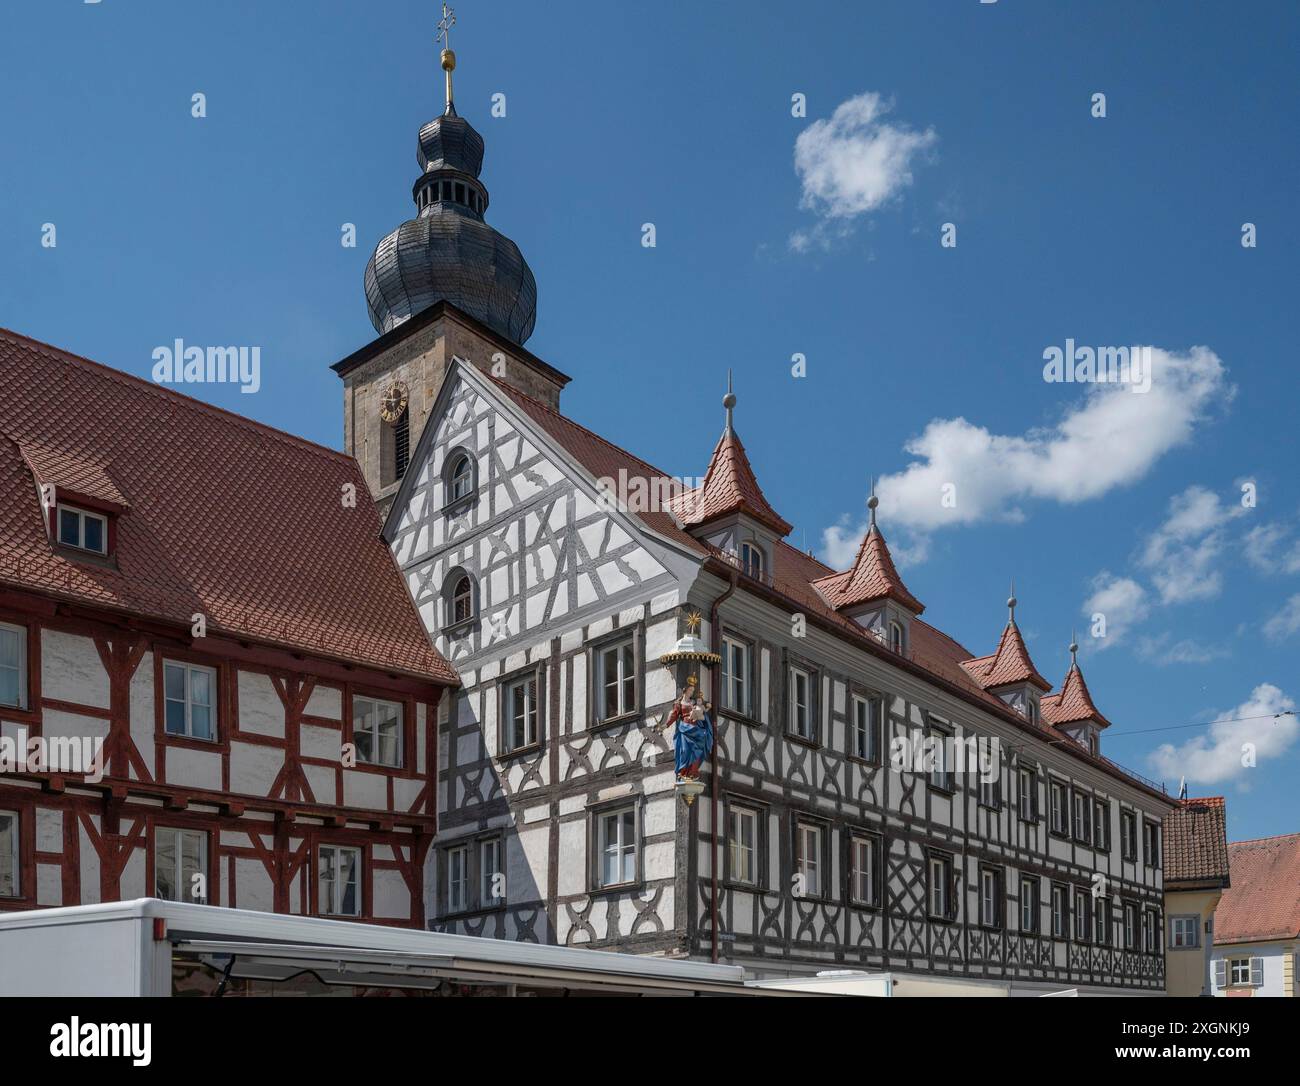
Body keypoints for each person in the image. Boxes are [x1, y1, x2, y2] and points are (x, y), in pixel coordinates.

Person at [666, 681, 713, 780]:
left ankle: (692, 772)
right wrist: (665, 725)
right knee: (685, 751)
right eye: (690, 690)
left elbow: (702, 708)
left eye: (693, 690)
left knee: (696, 750)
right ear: (685, 690)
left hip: (695, 728)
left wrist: (706, 707)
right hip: (685, 729)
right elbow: (674, 715)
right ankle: (683, 772)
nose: (691, 692)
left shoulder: (694, 702)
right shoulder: (679, 703)